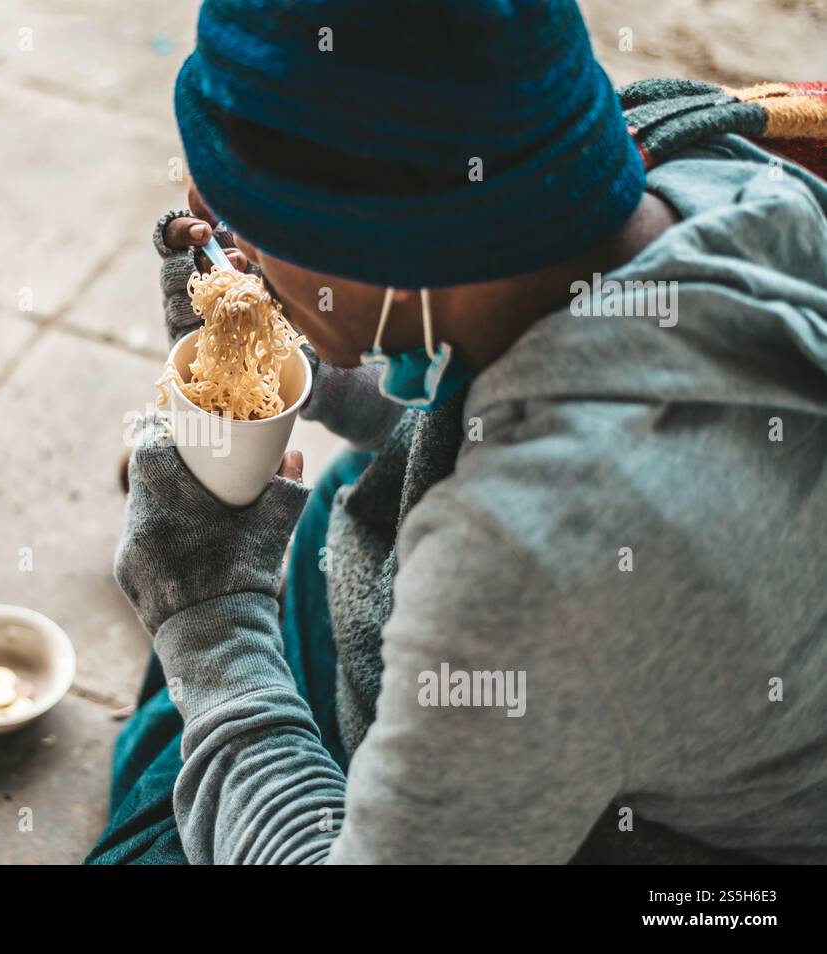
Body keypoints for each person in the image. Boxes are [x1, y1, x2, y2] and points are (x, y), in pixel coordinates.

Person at [89, 0, 827, 864]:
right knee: (337, 509)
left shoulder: (535, 553)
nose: (221, 235)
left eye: (246, 212)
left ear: (378, 251)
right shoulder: (686, 157)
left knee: (150, 810)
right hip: (597, 668)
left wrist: (208, 621)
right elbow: (472, 359)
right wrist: (297, 352)